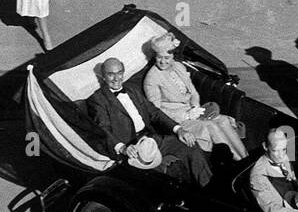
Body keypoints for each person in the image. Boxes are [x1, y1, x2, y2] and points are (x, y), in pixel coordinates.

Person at [86, 57, 213, 186]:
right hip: (133, 149)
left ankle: (210, 190)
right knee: (170, 174)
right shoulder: (97, 100)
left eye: (119, 73)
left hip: (151, 139)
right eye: (111, 74)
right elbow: (103, 129)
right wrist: (122, 148)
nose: (116, 78)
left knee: (191, 146)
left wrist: (179, 129)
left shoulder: (132, 90)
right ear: (103, 76)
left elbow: (155, 113)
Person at [143, 32, 247, 160]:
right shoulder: (151, 78)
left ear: (173, 56)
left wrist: (195, 107)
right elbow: (156, 112)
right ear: (155, 56)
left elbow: (193, 91)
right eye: (159, 57)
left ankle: (245, 158)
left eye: (167, 57)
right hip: (178, 121)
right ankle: (237, 162)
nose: (163, 61)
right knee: (211, 126)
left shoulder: (178, 66)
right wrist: (186, 115)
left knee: (223, 121)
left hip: (193, 111)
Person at [247, 126, 298, 212]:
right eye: (275, 150)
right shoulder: (258, 176)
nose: (281, 155)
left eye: (284, 149)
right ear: (265, 146)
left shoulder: (285, 156)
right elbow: (273, 211)